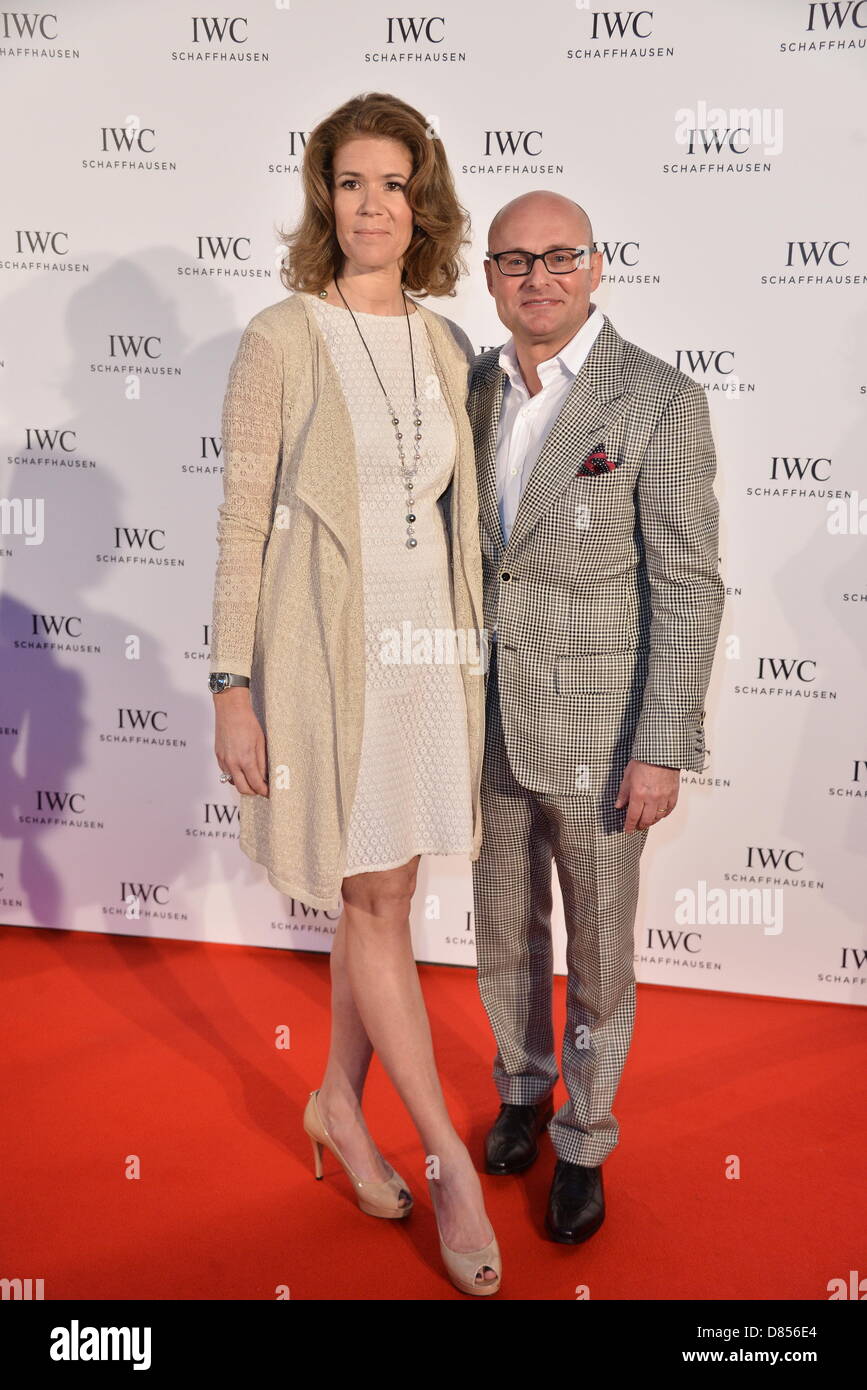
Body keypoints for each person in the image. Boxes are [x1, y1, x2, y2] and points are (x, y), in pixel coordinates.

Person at [208, 92, 500, 1295]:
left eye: (393, 183)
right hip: (333, 653)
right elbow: (240, 525)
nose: (372, 204)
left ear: (418, 201)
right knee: (374, 894)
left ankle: (334, 1095)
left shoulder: (441, 341)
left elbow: (451, 518)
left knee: (387, 889)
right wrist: (233, 682)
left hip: (430, 652)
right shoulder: (281, 337)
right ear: (323, 200)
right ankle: (448, 1163)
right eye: (350, 182)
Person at [468, 190, 725, 1244]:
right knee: (502, 927)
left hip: (602, 729)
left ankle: (584, 1138)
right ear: (489, 277)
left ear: (597, 265)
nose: (538, 277)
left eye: (558, 256)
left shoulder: (657, 398)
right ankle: (522, 1087)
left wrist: (661, 745)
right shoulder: (469, 387)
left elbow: (691, 580)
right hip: (481, 716)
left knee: (601, 949)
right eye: (514, 260)